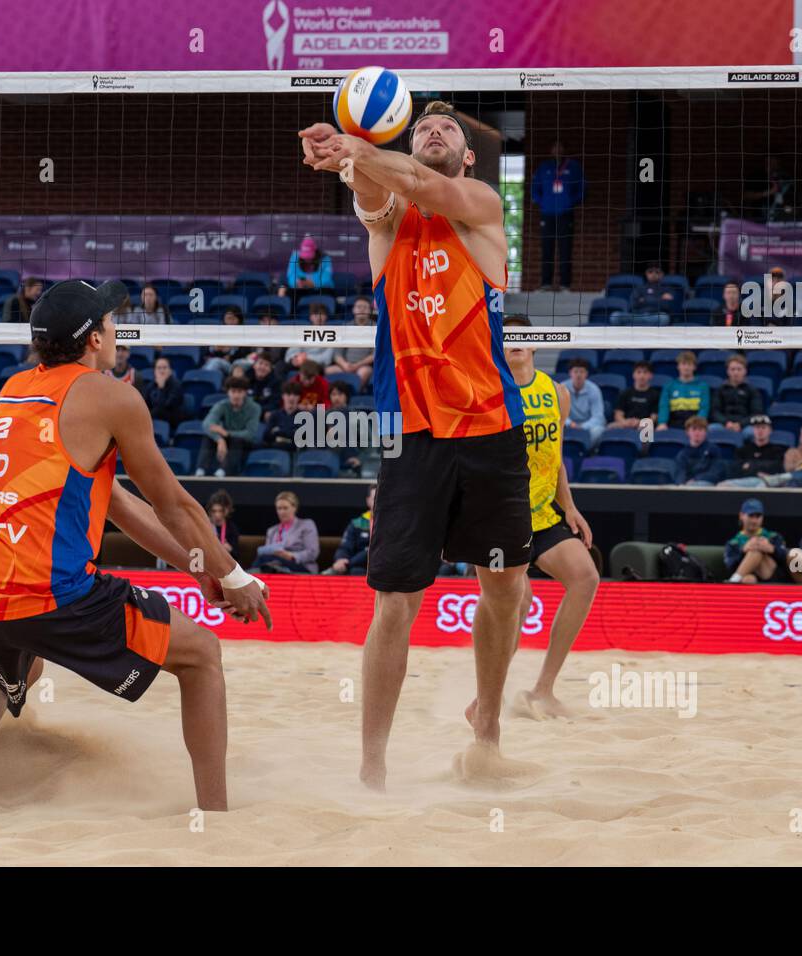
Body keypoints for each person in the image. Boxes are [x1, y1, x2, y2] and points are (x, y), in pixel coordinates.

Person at [0, 279, 271, 814]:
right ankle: (215, 816)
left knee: (16, 675)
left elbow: (118, 503)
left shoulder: (15, 389)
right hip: (44, 589)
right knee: (202, 656)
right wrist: (233, 575)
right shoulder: (112, 396)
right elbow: (174, 504)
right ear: (94, 338)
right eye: (110, 320)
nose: (117, 329)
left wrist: (197, 567)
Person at [302, 99, 532, 787]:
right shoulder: (390, 220)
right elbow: (380, 191)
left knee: (505, 584)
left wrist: (356, 148)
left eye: (448, 130)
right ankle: (372, 765)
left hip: (491, 426)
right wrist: (354, 158)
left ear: (467, 156)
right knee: (396, 600)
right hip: (414, 434)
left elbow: (426, 186)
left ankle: (486, 718)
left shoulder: (480, 205)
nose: (434, 132)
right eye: (422, 128)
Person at [501, 317, 598, 718]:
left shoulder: (556, 393)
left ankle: (543, 689)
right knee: (517, 599)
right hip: (500, 514)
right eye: (508, 339)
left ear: (536, 346)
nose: (517, 344)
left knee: (586, 577)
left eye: (524, 337)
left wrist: (570, 506)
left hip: (542, 512)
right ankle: (488, 695)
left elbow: (553, 457)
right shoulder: (490, 389)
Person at [529, 140, 585, 291]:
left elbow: (582, 188)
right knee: (547, 248)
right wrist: (542, 202)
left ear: (564, 150)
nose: (557, 150)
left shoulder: (573, 167)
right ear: (551, 150)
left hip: (565, 213)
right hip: (547, 214)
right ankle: (546, 283)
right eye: (555, 147)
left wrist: (570, 202)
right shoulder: (544, 168)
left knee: (565, 249)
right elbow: (535, 189)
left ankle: (565, 284)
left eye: (560, 147)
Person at [195, 377, 262, 477]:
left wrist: (227, 433)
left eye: (239, 392)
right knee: (208, 438)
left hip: (245, 443)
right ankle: (200, 470)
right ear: (228, 393)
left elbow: (250, 433)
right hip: (225, 439)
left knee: (236, 440)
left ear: (245, 393)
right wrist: (219, 439)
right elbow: (207, 424)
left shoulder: (255, 408)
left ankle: (223, 472)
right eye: (233, 391)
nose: (236, 395)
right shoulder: (222, 405)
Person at [251, 491, 319, 574]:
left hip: (300, 566)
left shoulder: (306, 525)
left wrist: (291, 556)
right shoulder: (272, 531)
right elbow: (268, 551)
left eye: (285, 508)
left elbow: (312, 552)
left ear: (294, 508)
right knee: (266, 559)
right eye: (279, 508)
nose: (282, 512)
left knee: (264, 559)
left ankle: (248, 576)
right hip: (274, 563)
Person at [724, 498, 785, 584]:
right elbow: (730, 566)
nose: (754, 520)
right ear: (741, 515)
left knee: (756, 549)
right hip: (749, 577)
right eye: (751, 516)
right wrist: (743, 551)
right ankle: (735, 581)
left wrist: (772, 549)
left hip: (773, 578)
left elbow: (787, 560)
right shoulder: (733, 543)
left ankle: (733, 581)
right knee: (748, 579)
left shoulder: (773, 537)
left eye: (758, 516)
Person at [720, 414, 788, 483]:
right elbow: (736, 469)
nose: (760, 431)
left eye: (763, 427)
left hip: (767, 483)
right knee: (724, 485)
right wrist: (758, 472)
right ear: (753, 430)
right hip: (745, 483)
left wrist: (750, 465)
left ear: (770, 431)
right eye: (757, 427)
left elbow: (777, 468)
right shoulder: (743, 450)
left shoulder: (777, 450)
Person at [656, 351, 711, 431]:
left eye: (689, 364)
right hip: (673, 422)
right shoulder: (669, 386)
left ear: (694, 367)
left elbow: (704, 407)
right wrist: (662, 423)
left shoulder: (703, 386)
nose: (686, 367)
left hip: (695, 423)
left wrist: (698, 423)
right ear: (678, 366)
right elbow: (664, 406)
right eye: (683, 364)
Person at [330, 298, 376, 392]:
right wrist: (344, 365)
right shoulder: (345, 327)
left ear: (370, 311)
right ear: (353, 309)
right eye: (359, 307)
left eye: (365, 307)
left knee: (364, 372)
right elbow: (337, 353)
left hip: (363, 366)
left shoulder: (375, 327)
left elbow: (374, 355)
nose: (362, 309)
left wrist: (356, 365)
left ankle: (352, 397)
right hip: (345, 365)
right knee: (328, 371)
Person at [326, 485, 374, 576]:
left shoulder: (393, 522)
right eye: (374, 499)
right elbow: (345, 546)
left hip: (384, 567)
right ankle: (345, 565)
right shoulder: (357, 523)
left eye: (381, 499)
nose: (378, 502)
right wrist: (341, 559)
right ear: (368, 501)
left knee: (372, 550)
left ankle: (346, 565)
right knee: (355, 571)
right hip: (360, 567)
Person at [711, 354, 763, 431]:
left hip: (745, 426)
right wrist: (726, 423)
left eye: (739, 369)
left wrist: (740, 424)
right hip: (724, 424)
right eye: (732, 369)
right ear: (727, 371)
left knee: (752, 433)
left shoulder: (752, 390)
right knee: (711, 429)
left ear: (745, 371)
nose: (736, 372)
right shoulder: (720, 389)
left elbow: (756, 413)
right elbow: (714, 412)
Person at [563, 359, 605, 450]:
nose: (578, 375)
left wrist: (582, 427)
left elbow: (598, 417)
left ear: (586, 374)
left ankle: (584, 450)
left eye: (582, 372)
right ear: (570, 373)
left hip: (588, 426)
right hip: (568, 425)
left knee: (598, 431)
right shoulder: (562, 388)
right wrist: (570, 423)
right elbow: (558, 413)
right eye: (576, 372)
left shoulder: (594, 389)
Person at [674, 416, 724, 485]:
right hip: (687, 487)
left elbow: (715, 472)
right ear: (687, 432)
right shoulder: (682, 454)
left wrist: (696, 480)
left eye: (700, 429)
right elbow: (680, 474)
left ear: (705, 432)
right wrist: (682, 484)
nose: (697, 433)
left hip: (707, 485)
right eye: (694, 429)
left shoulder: (714, 450)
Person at [285, 302, 336, 368]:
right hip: (298, 362)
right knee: (281, 366)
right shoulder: (303, 332)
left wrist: (306, 359)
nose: (319, 317)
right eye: (315, 314)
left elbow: (327, 359)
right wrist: (294, 358)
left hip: (316, 365)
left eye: (322, 314)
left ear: (326, 317)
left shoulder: (331, 333)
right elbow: (290, 353)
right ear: (310, 317)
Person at [612, 360, 661, 428]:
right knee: (610, 427)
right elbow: (618, 414)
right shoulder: (625, 393)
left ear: (651, 375)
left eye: (645, 372)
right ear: (633, 375)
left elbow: (654, 417)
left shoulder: (656, 395)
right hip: (625, 424)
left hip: (645, 426)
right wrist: (625, 422)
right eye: (638, 372)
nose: (642, 375)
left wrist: (640, 423)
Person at [142, 357, 186, 428]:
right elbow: (145, 405)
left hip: (172, 420)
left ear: (170, 371)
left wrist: (161, 388)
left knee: (157, 411)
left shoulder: (177, 385)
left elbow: (165, 406)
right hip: (154, 418)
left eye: (165, 368)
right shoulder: (150, 385)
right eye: (159, 368)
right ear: (154, 371)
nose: (162, 371)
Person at [263, 382, 303, 449]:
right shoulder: (275, 415)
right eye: (288, 394)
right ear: (283, 396)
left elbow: (302, 439)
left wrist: (277, 431)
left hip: (293, 450)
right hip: (275, 448)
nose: (291, 398)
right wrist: (292, 432)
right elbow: (266, 436)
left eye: (295, 395)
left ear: (299, 397)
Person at [206, 490, 240, 556]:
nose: (217, 515)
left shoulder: (231, 528)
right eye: (214, 511)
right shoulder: (206, 526)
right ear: (210, 511)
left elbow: (236, 555)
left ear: (226, 510)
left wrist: (230, 549)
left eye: (220, 511)